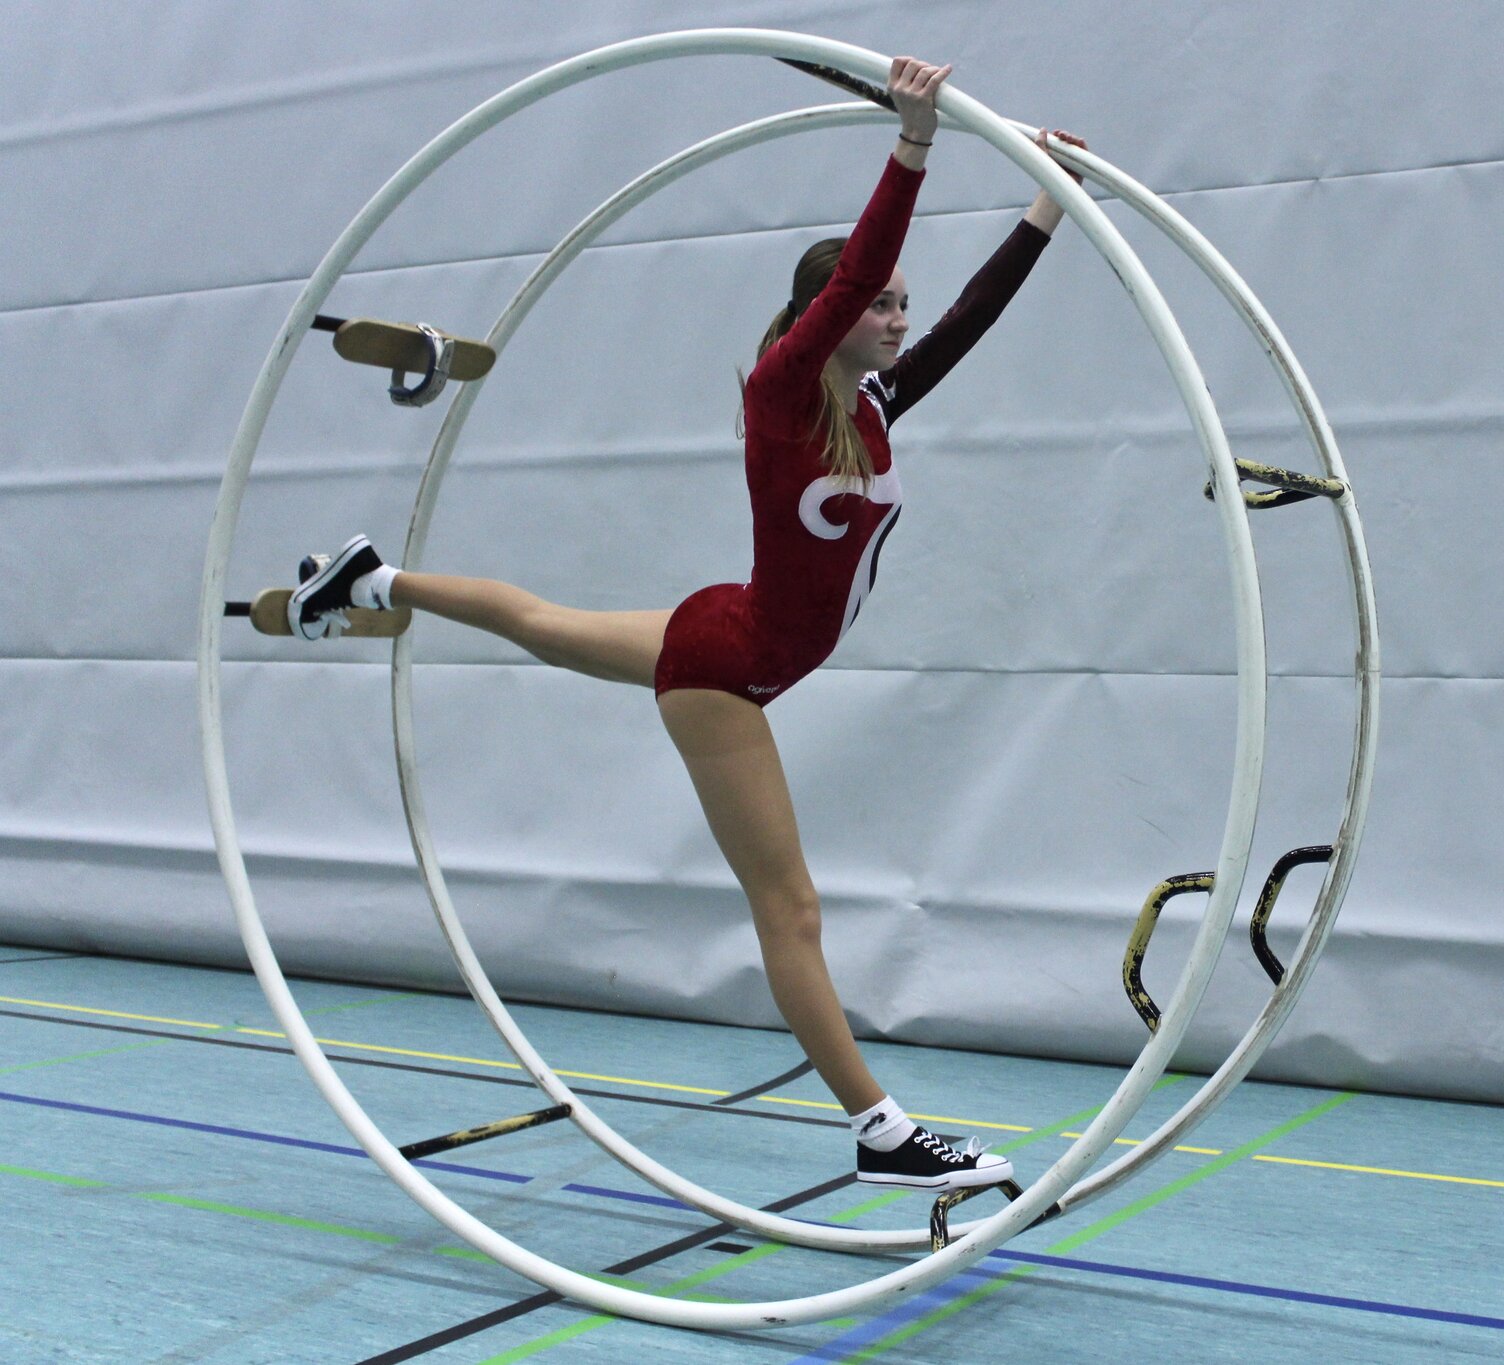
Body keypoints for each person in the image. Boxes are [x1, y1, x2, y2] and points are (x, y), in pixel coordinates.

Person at [289, 57, 1085, 1191]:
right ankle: (878, 1132)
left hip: (734, 623)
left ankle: (371, 581)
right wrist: (910, 145)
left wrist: (1046, 194)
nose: (899, 316)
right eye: (880, 302)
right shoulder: (779, 390)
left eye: (903, 302)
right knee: (790, 907)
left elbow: (977, 314)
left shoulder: (873, 403)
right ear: (831, 314)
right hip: (732, 668)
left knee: (542, 623)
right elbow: (855, 263)